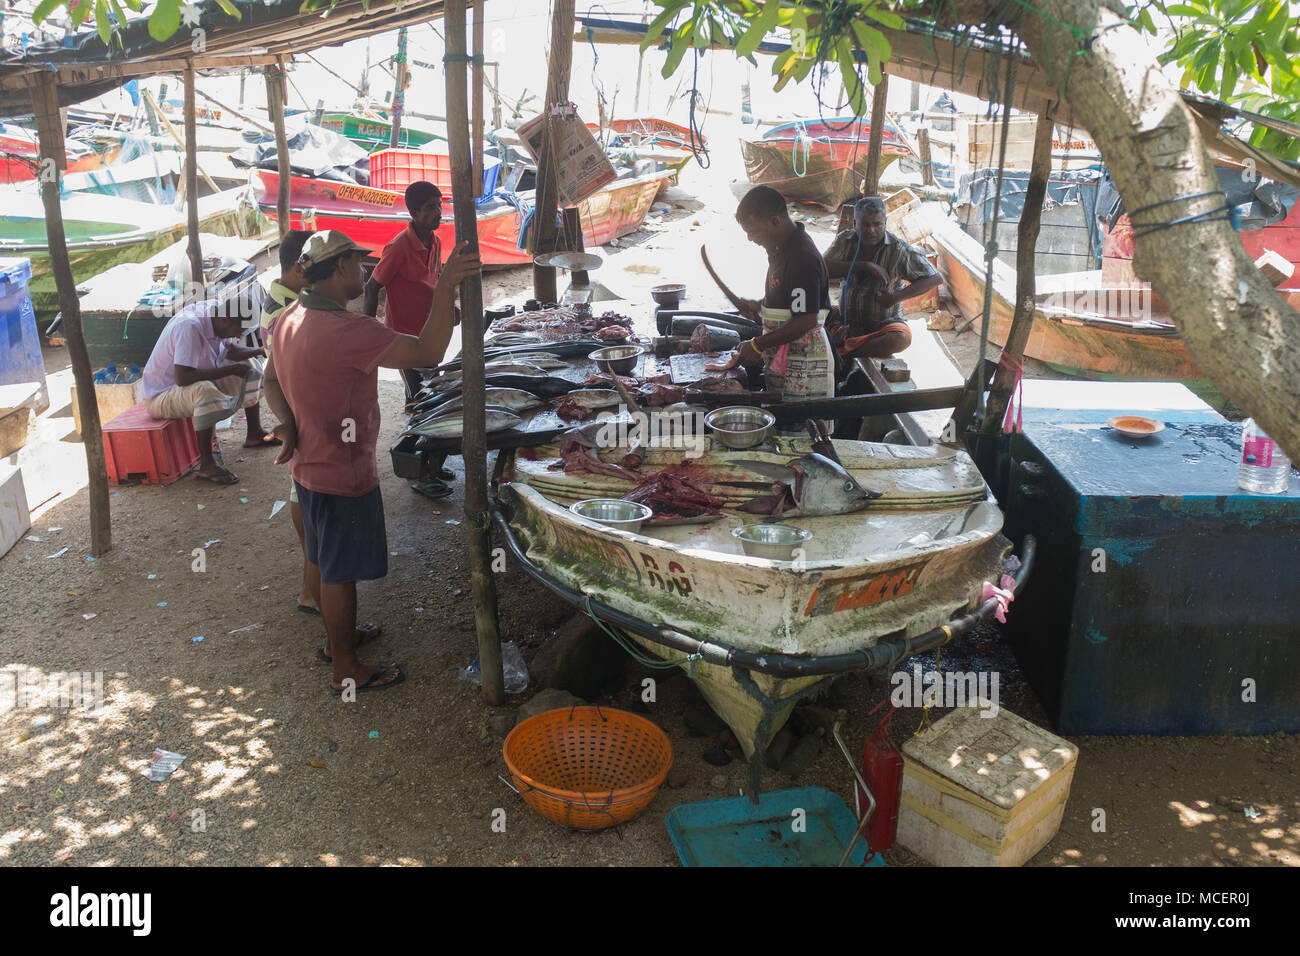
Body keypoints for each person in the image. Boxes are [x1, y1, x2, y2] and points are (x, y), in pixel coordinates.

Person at [265, 230, 480, 695]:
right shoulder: (349, 331)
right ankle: (346, 666)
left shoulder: (288, 318)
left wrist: (289, 426)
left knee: (325, 560)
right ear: (340, 267)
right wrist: (445, 288)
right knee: (340, 573)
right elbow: (428, 353)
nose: (364, 273)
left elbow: (269, 381)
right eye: (358, 264)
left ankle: (335, 642)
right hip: (342, 471)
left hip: (309, 466)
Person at [363, 179, 457, 499]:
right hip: (404, 338)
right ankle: (421, 471)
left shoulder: (435, 242)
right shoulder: (398, 247)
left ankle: (422, 460)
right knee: (425, 401)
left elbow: (436, 282)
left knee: (424, 399)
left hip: (430, 335)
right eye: (430, 208)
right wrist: (366, 327)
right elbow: (372, 285)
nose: (437, 212)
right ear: (413, 212)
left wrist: (448, 308)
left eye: (439, 205)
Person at [140, 284, 277, 485]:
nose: (238, 335)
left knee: (251, 366)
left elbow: (229, 351)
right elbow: (183, 378)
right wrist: (229, 370)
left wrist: (259, 351)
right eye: (238, 330)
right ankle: (206, 464)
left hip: (188, 382)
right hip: (161, 395)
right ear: (224, 320)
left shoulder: (218, 314)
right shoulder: (190, 327)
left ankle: (254, 434)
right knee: (205, 391)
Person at [711, 185, 835, 407]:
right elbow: (790, 296)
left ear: (775, 222)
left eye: (754, 231)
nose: (749, 238)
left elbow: (806, 318)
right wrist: (759, 305)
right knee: (783, 418)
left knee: (802, 428)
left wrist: (758, 345)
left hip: (803, 360)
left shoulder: (800, 257)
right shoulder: (780, 247)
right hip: (785, 356)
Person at [259, 229, 319, 614]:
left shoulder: (288, 298)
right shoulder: (287, 313)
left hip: (302, 413)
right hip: (304, 412)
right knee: (307, 497)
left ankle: (312, 585)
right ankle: (312, 588)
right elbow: (274, 377)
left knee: (304, 494)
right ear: (301, 266)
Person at [823, 195, 943, 360]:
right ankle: (848, 346)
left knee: (900, 339)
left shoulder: (898, 249)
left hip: (882, 326)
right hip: (846, 320)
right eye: (865, 225)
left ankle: (846, 355)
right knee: (811, 313)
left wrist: (895, 297)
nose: (871, 230)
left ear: (885, 223)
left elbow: (935, 278)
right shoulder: (846, 240)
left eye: (877, 224)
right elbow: (822, 268)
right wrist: (864, 265)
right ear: (854, 224)